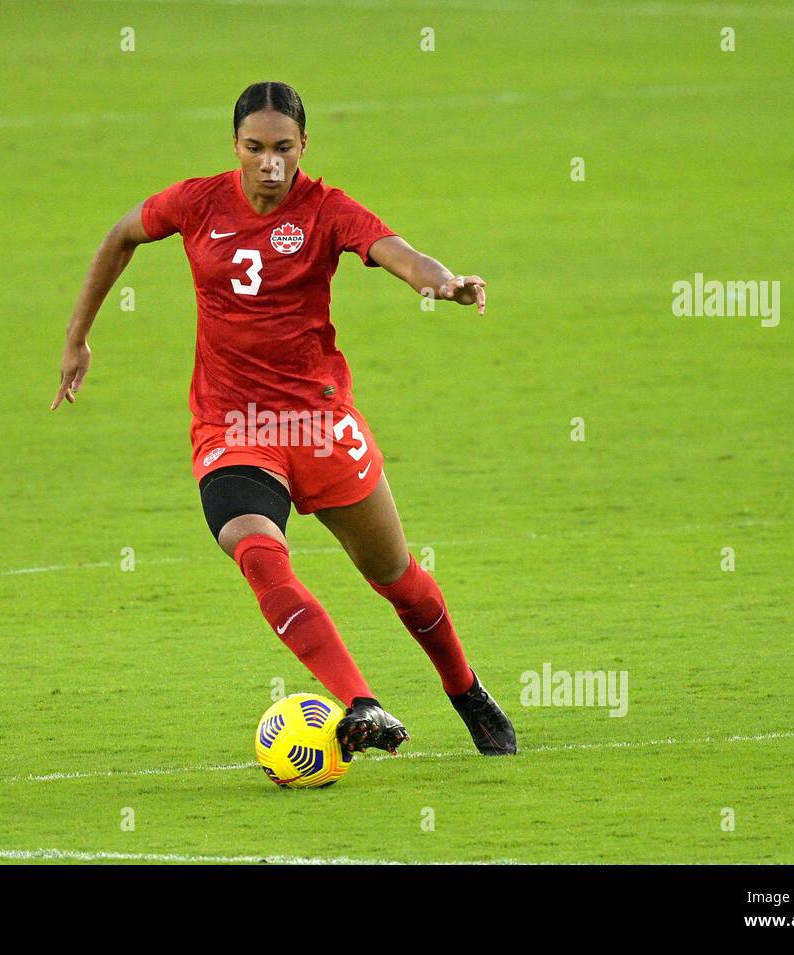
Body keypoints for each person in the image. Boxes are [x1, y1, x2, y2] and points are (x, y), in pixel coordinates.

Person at [51, 81, 516, 757]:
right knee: (254, 546)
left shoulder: (326, 210)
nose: (269, 162)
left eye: (283, 147)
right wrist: (76, 338)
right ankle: (362, 701)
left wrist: (439, 281)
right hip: (231, 426)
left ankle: (466, 689)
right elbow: (121, 235)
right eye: (255, 147)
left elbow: (397, 251)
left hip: (318, 426)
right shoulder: (194, 202)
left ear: (304, 146)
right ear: (234, 146)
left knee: (398, 579)